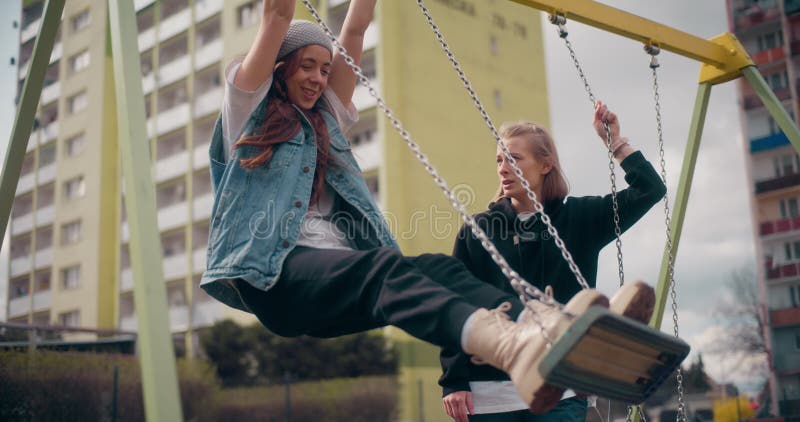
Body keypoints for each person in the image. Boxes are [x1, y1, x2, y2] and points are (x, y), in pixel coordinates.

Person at [199, 0, 627, 414]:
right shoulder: (247, 109)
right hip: (275, 279)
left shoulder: (325, 117)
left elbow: (354, 29)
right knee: (384, 267)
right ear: (279, 68)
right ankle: (512, 348)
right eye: (305, 66)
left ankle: (548, 329)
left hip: (331, 288)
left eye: (325, 69)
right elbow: (277, 13)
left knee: (442, 270)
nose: (317, 78)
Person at [440, 102, 667, 422]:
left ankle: (605, 329)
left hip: (561, 389)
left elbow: (650, 190)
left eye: (514, 158)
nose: (503, 168)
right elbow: (455, 304)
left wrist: (615, 144)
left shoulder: (581, 217)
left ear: (546, 165)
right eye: (499, 160)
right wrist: (454, 381)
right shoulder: (478, 230)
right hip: (490, 397)